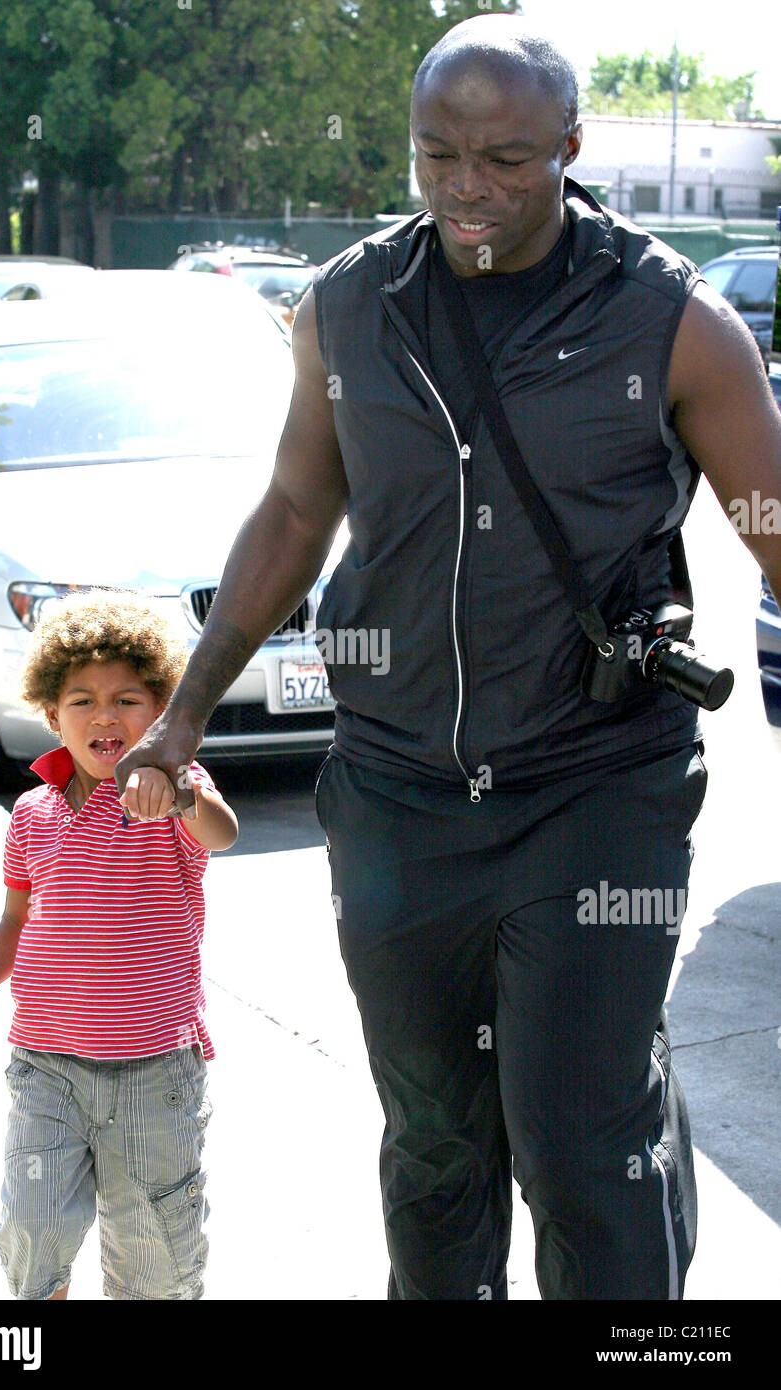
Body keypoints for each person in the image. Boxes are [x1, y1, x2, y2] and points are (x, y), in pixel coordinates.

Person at [115, 15, 781, 1299]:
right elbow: (295, 514)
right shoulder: (350, 307)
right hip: (399, 789)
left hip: (598, 784)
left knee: (580, 1137)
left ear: (574, 149)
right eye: (440, 156)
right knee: (432, 1140)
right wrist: (183, 714)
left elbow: (773, 526)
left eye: (509, 160)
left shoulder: (674, 323)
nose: (470, 187)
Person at [0, 590, 238, 1301]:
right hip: (48, 1065)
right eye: (82, 700)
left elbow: (222, 833)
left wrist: (182, 794)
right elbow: (16, 917)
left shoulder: (169, 791)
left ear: (161, 712)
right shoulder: (32, 812)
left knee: (154, 1256)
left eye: (128, 700)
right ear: (51, 714)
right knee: (32, 1229)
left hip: (154, 1071)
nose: (105, 716)